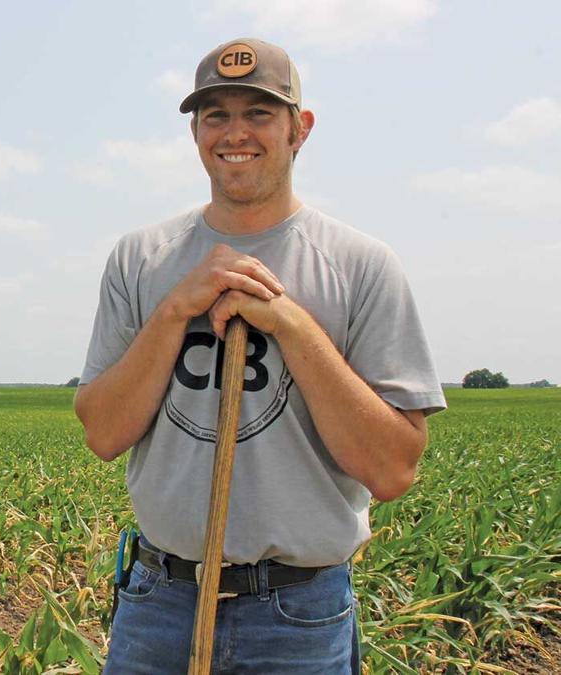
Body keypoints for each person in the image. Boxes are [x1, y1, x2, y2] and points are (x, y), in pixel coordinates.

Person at [74, 38, 446, 673]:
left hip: (297, 615)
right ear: (195, 133)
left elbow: (392, 471)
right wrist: (174, 311)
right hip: (160, 602)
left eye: (259, 113)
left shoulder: (361, 265)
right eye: (215, 114)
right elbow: (104, 433)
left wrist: (294, 327)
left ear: (300, 129)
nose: (235, 132)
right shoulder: (141, 260)